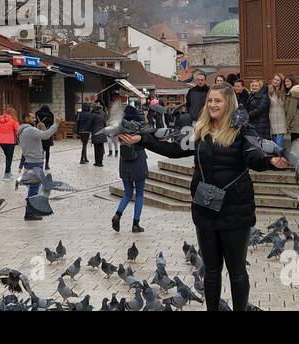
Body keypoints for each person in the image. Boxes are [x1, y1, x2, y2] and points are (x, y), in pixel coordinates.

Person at [123, 85, 289, 311]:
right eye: (210, 100)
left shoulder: (242, 130)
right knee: (210, 271)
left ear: (228, 103)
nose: (212, 105)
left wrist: (270, 162)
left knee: (237, 270)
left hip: (234, 209)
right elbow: (174, 150)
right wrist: (141, 140)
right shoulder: (200, 130)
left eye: (217, 101)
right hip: (205, 208)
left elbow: (253, 157)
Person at [112, 103, 148, 233]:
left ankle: (117, 215)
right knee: (139, 195)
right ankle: (135, 224)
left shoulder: (120, 128)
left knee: (127, 193)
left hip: (125, 162)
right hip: (138, 162)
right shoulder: (140, 126)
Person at [18, 112, 59, 221]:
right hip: (35, 162)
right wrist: (56, 124)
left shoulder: (21, 130)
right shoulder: (30, 130)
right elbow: (45, 135)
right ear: (26, 118)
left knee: (34, 188)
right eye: (32, 117)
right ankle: (29, 213)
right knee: (34, 189)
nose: (35, 119)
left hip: (29, 161)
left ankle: (31, 211)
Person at [0, 106, 20, 179]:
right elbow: (17, 130)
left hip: (2, 141)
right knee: (9, 157)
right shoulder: (13, 120)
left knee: (7, 157)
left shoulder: (0, 119)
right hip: (10, 141)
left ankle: (9, 171)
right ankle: (7, 173)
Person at [267, 73, 288, 148]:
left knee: (279, 141)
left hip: (281, 118)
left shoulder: (285, 92)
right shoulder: (268, 90)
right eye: (274, 79)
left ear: (281, 82)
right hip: (271, 116)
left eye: (277, 80)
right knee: (273, 141)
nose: (275, 81)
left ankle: (279, 155)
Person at [36, 104, 56, 169]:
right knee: (47, 150)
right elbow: (52, 125)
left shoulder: (37, 114)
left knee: (40, 150)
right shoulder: (50, 115)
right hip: (47, 134)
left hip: (39, 134)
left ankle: (40, 163)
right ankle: (47, 164)